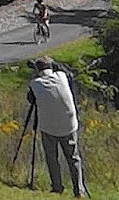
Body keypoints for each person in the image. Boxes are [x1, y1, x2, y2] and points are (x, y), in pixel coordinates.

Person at [26, 56, 89, 197]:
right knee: (73, 157)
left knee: (51, 157)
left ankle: (57, 187)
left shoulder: (35, 83)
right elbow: (65, 71)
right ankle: (79, 190)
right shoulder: (62, 76)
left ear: (38, 69)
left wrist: (35, 73)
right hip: (69, 124)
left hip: (48, 126)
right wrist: (53, 63)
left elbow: (31, 99)